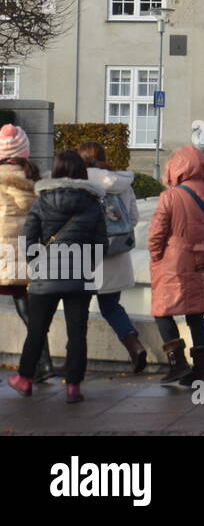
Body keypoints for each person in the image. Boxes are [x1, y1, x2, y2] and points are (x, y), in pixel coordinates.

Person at [7, 150, 106, 404]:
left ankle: (25, 379)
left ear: (56, 170)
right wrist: (87, 265)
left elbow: (28, 239)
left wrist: (37, 265)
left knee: (37, 331)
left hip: (46, 276)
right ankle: (73, 386)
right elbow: (101, 244)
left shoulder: (42, 201)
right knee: (77, 334)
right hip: (80, 277)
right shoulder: (92, 203)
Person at [148, 145, 204, 385]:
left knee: (162, 310)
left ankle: (178, 363)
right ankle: (201, 370)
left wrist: (156, 255)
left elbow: (156, 233)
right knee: (196, 314)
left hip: (175, 261)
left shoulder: (171, 196)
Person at [77, 142, 146, 374]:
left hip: (87, 255)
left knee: (78, 311)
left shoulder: (80, 182)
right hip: (116, 254)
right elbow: (133, 218)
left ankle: (76, 362)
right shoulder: (122, 182)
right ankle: (134, 345)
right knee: (111, 306)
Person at [0, 125, 56, 383]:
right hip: (28, 253)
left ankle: (42, 365)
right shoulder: (36, 179)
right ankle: (45, 364)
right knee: (28, 310)